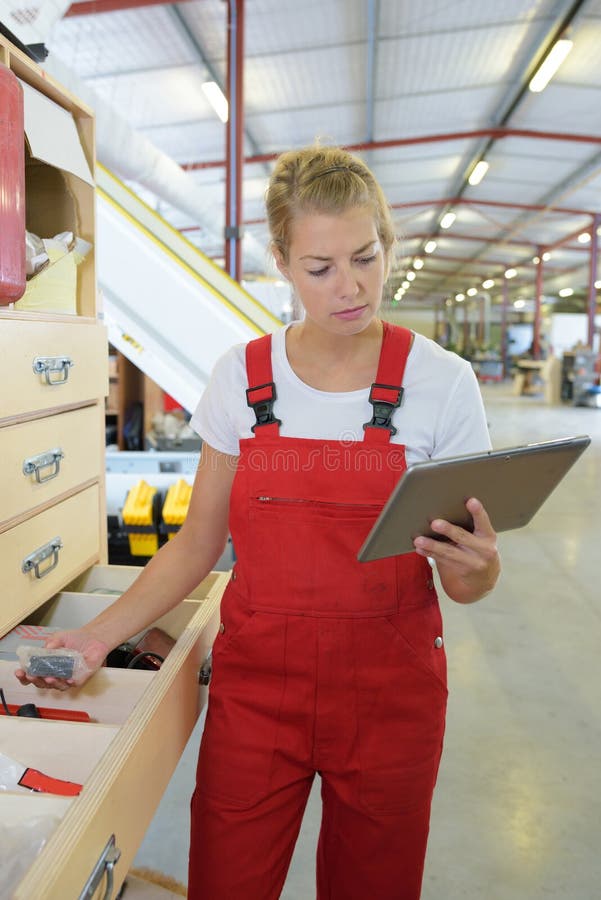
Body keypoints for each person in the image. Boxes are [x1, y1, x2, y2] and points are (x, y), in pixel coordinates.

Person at [16, 145, 501, 899]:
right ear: (280, 260)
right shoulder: (242, 378)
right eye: (320, 268)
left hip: (390, 698)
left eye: (365, 258)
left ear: (387, 243)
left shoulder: (442, 384)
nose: (350, 287)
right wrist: (95, 635)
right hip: (257, 696)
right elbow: (197, 545)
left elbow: (466, 580)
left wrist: (479, 570)